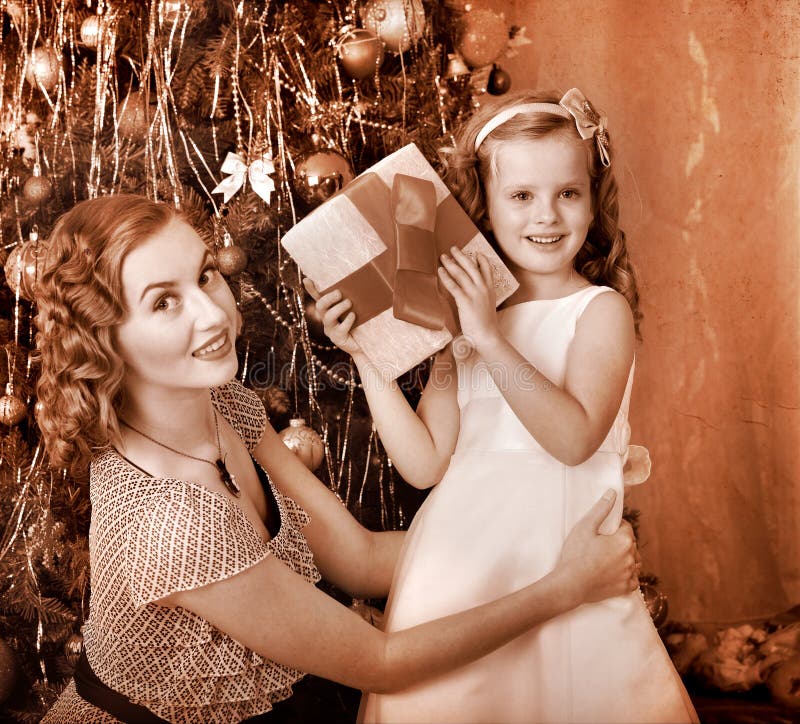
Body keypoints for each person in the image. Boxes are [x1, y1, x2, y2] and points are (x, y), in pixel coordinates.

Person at [36, 194, 640, 724]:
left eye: (205, 276)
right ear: (104, 338)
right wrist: (561, 587)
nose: (212, 314)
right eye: (164, 303)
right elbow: (381, 664)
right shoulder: (170, 521)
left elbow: (361, 559)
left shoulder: (222, 402)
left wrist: (544, 536)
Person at [311, 89, 699, 723]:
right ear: (485, 204)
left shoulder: (598, 312)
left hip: (561, 572)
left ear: (590, 199)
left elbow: (572, 439)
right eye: (521, 196)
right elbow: (427, 464)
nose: (546, 216)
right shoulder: (465, 320)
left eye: (566, 193)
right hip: (459, 578)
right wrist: (367, 359)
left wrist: (488, 338)